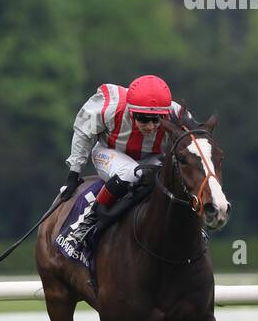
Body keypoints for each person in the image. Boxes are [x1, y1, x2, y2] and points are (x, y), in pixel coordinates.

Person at [56, 74, 189, 253]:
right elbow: (83, 131)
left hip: (151, 157)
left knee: (168, 175)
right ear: (131, 111)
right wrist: (74, 173)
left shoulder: (177, 114)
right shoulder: (110, 105)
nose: (150, 126)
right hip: (109, 152)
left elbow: (194, 145)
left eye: (156, 119)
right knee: (131, 173)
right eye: (143, 118)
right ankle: (89, 220)